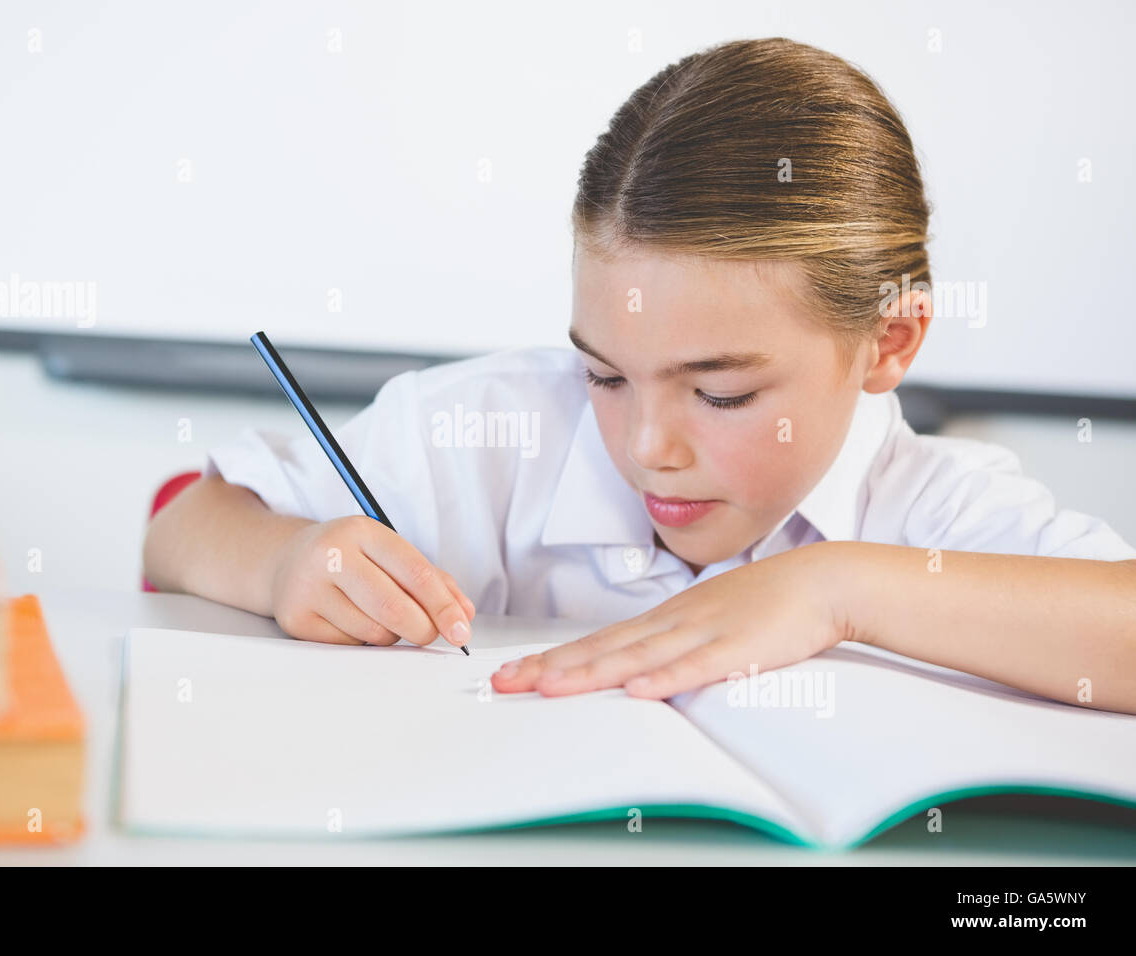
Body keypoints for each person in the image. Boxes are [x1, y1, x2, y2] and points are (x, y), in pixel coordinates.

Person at [143, 37, 1136, 713]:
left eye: (721, 393)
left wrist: (835, 587)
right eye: (604, 375)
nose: (645, 445)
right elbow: (182, 521)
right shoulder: (487, 431)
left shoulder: (926, 509)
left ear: (888, 343)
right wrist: (284, 564)